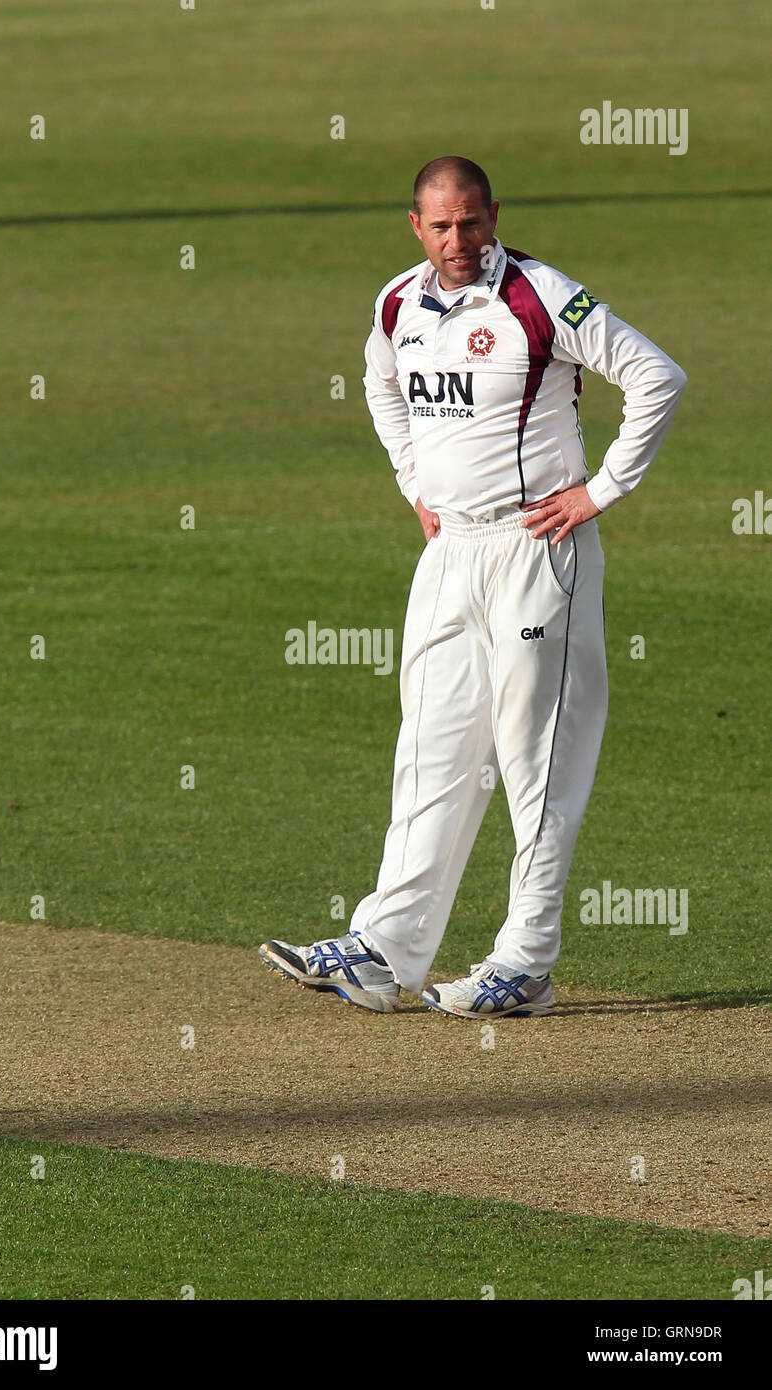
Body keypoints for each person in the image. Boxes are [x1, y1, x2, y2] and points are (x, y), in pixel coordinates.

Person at [260, 156, 686, 1019]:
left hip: (538, 548)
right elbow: (382, 384)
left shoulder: (539, 295)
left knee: (538, 761)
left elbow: (656, 376)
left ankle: (524, 963)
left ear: (494, 214)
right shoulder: (397, 303)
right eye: (442, 227)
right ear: (415, 226)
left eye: (473, 223)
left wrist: (597, 492)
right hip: (449, 551)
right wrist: (413, 480)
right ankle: (385, 954)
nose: (460, 241)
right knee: (433, 748)